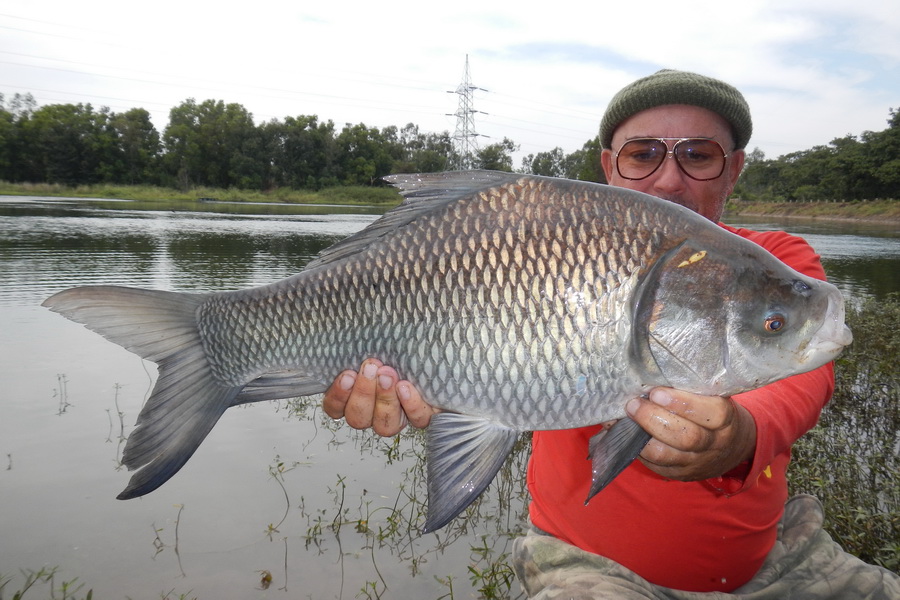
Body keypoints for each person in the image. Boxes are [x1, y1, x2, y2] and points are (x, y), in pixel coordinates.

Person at [321, 70, 899, 598]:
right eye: (643, 154)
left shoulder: (776, 261)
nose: (670, 178)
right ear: (609, 164)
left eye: (699, 155)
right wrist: (420, 383)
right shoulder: (541, 236)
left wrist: (740, 435)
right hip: (588, 568)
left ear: (734, 168)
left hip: (776, 561)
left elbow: (805, 381)